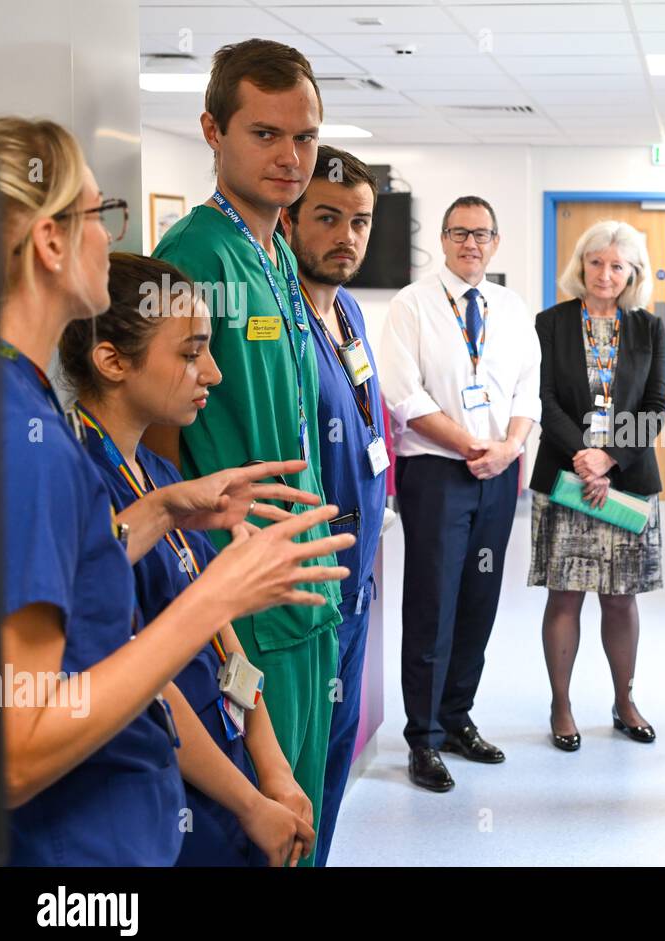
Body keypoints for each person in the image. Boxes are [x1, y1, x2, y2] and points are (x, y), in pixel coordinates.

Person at [0, 115, 350, 866]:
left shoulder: (32, 412)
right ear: (50, 243)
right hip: (81, 851)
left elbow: (72, 586)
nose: (109, 237)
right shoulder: (32, 444)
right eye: (98, 215)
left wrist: (158, 510)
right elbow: (19, 751)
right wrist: (215, 598)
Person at [151, 39, 344, 865]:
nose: (289, 158)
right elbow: (156, 438)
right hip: (241, 595)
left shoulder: (273, 253)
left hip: (302, 584)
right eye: (265, 134)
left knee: (301, 818)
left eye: (302, 137)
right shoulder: (196, 255)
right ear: (211, 131)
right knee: (255, 828)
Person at [59, 253, 318, 866]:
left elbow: (221, 634)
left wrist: (272, 766)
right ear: (113, 360)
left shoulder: (160, 475)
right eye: (190, 352)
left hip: (227, 767)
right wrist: (251, 805)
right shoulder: (81, 486)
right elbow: (141, 682)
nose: (215, 373)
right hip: (176, 784)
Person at [378, 196, 541, 792]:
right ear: (442, 240)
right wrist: (473, 445)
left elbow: (529, 393)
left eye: (481, 233)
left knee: (479, 600)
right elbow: (404, 396)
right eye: (459, 233)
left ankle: (455, 717)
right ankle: (421, 738)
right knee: (432, 603)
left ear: (496, 242)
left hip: (498, 475)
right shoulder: (412, 305)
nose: (471, 243)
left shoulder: (511, 307)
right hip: (438, 475)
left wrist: (507, 448)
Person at [280, 145, 387, 864]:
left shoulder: (347, 309)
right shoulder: (280, 320)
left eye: (360, 221)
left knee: (335, 758)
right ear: (288, 221)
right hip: (307, 588)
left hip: (358, 581)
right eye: (327, 217)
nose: (346, 236)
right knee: (295, 771)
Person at [529, 220, 665, 751]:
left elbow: (655, 406)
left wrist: (608, 458)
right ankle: (561, 706)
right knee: (564, 596)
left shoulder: (647, 328)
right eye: (595, 262)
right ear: (580, 265)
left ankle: (624, 700)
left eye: (617, 265)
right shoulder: (551, 323)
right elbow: (542, 400)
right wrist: (583, 458)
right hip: (565, 479)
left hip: (628, 480)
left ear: (632, 272)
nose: (605, 273)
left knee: (619, 598)